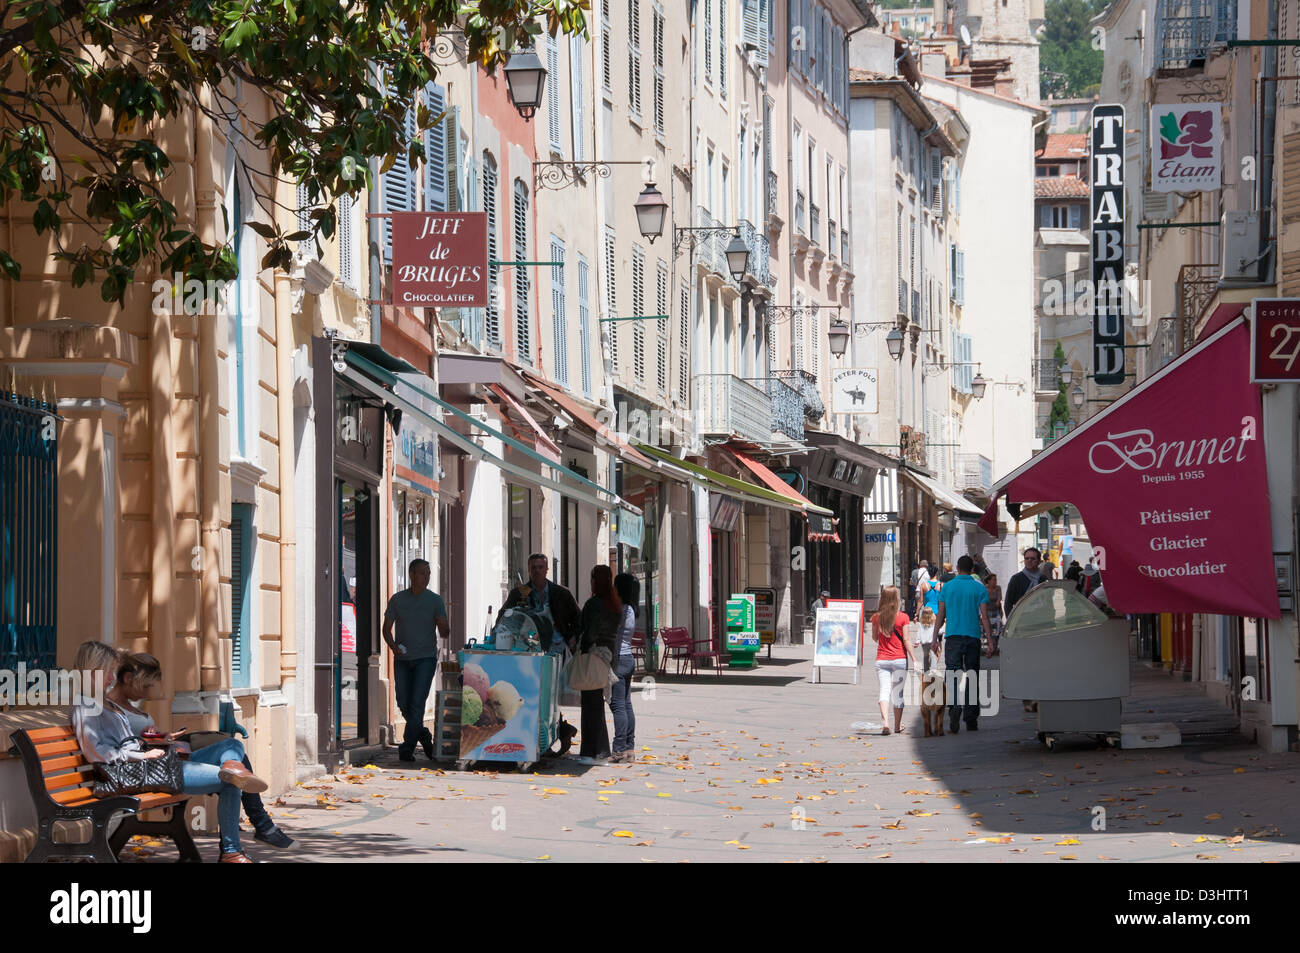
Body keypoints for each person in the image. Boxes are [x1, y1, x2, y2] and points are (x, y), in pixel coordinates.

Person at [74, 650, 270, 863]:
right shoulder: (86, 706)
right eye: (109, 672)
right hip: (134, 773)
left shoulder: (103, 703)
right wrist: (143, 755)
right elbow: (96, 753)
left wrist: (153, 743)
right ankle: (231, 852)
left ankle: (232, 767)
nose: (112, 678)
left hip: (148, 767)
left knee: (231, 745)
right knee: (229, 780)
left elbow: (122, 742)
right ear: (92, 672)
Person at [382, 558, 451, 762]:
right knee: (403, 701)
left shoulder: (435, 600)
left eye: (428, 573)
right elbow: (386, 629)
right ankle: (424, 735)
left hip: (425, 659)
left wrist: (444, 626)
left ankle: (407, 747)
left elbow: (445, 632)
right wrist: (393, 647)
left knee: (417, 703)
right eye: (422, 573)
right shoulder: (397, 600)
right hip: (403, 658)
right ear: (411, 575)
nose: (426, 577)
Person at [934, 555, 992, 733]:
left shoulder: (948, 587)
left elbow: (941, 614)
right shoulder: (979, 588)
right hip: (973, 636)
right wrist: (990, 640)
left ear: (957, 568)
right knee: (973, 675)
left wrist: (934, 637)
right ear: (972, 569)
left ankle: (955, 708)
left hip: (953, 636)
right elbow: (984, 616)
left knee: (952, 674)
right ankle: (971, 717)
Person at [577, 565, 621, 762]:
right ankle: (599, 751)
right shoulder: (614, 604)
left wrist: (581, 645)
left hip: (593, 656)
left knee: (590, 704)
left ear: (595, 580)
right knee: (596, 704)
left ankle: (594, 751)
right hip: (607, 657)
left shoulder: (594, 604)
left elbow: (590, 632)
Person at [495, 552, 582, 651]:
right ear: (529, 570)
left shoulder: (562, 593)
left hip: (558, 647)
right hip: (531, 645)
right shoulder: (519, 593)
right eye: (533, 568)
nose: (537, 571)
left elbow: (578, 618)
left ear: (547, 570)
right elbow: (503, 616)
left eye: (541, 567)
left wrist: (573, 637)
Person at [870, 586, 912, 736]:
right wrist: (914, 658)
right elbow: (906, 640)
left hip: (882, 659)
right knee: (898, 693)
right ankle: (897, 725)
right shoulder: (903, 617)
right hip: (900, 658)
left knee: (884, 691)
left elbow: (875, 637)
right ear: (896, 599)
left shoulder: (876, 617)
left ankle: (885, 723)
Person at [609, 573, 640, 763]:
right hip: (628, 658)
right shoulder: (632, 609)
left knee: (618, 705)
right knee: (626, 704)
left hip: (619, 660)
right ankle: (630, 747)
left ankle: (619, 749)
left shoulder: (620, 610)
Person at [1003, 547, 1045, 621]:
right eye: (1026, 558)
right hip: (1021, 621)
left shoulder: (1043, 579)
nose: (1029, 561)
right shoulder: (1016, 579)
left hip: (1041, 620)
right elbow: (1008, 604)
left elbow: (1048, 601)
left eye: (1032, 558)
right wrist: (1011, 624)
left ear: (1039, 561)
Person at [914, 606, 940, 672]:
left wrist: (917, 641)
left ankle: (926, 669)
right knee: (933, 655)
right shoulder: (934, 622)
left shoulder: (921, 623)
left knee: (926, 656)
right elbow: (938, 631)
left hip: (924, 642)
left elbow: (919, 633)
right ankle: (933, 669)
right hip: (932, 641)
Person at [984, 573, 1004, 656]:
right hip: (988, 611)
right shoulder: (984, 589)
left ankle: (995, 646)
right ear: (989, 581)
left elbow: (999, 597)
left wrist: (998, 601)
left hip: (996, 611)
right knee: (989, 629)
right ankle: (990, 646)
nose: (995, 582)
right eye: (994, 580)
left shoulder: (998, 588)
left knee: (998, 629)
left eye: (996, 580)